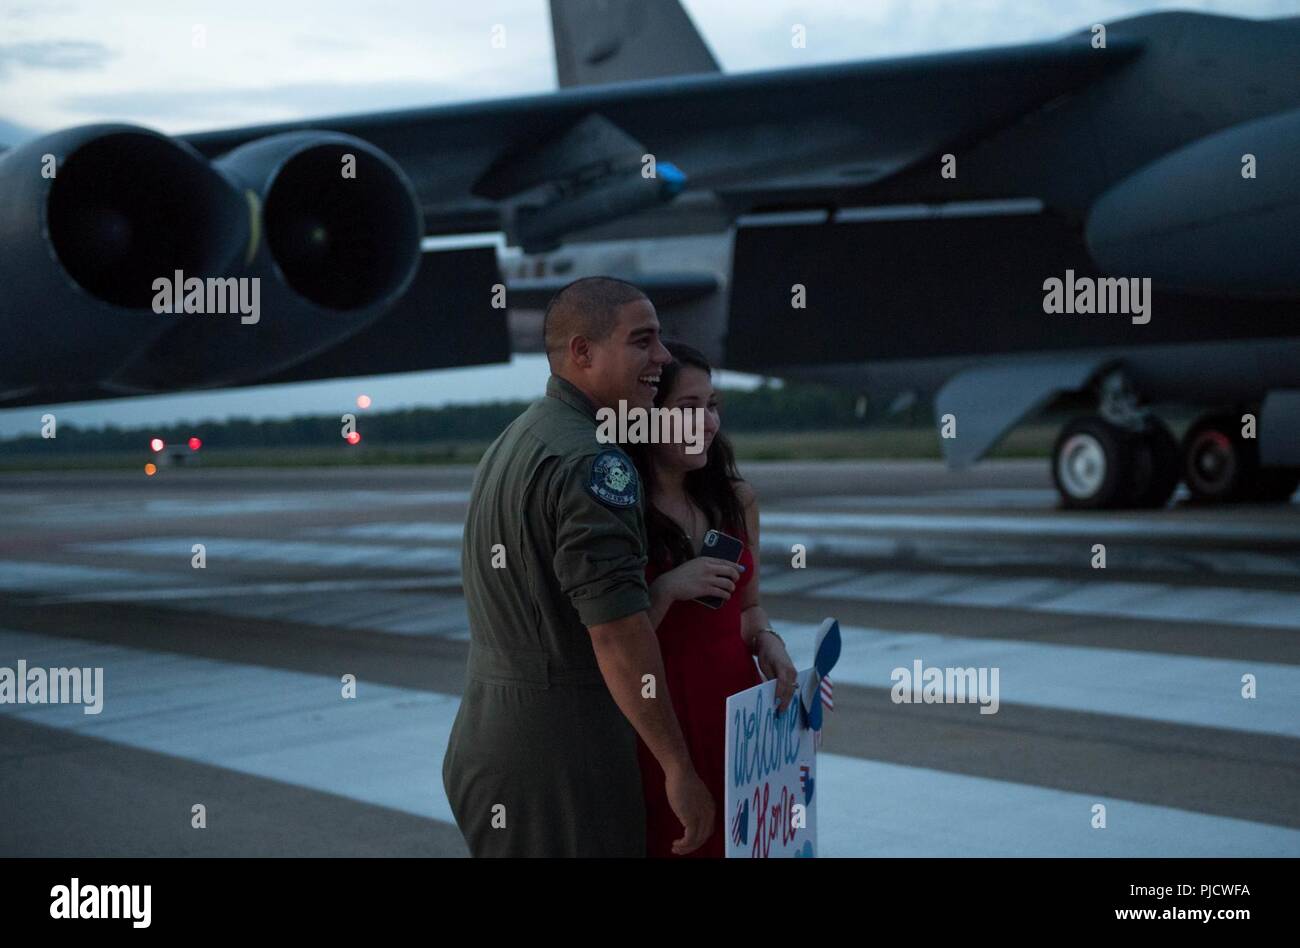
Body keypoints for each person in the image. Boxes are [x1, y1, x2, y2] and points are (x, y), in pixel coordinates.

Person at [442, 277, 715, 857]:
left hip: (493, 734)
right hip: (560, 753)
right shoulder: (593, 463)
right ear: (582, 353)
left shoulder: (520, 438)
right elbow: (617, 634)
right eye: (642, 341)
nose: (662, 358)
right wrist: (677, 767)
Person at [628, 341, 798, 858]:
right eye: (688, 408)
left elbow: (748, 607)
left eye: (712, 406)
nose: (706, 423)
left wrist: (768, 640)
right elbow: (607, 639)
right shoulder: (618, 508)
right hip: (659, 722)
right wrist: (666, 588)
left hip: (736, 715)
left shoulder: (735, 498)